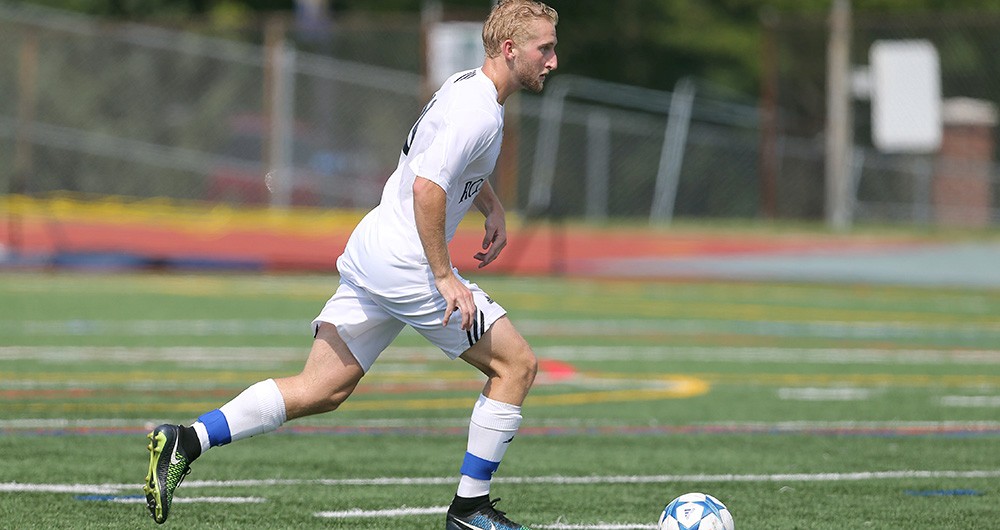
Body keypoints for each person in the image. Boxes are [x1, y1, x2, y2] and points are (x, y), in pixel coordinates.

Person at [142, 1, 558, 529]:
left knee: (322, 388)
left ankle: (186, 439)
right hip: (407, 262)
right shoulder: (478, 110)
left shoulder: (467, 86)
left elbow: (440, 162)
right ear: (509, 49)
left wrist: (490, 204)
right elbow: (429, 187)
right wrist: (443, 276)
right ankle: (470, 510)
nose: (552, 60)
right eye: (544, 48)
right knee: (515, 365)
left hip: (375, 246)